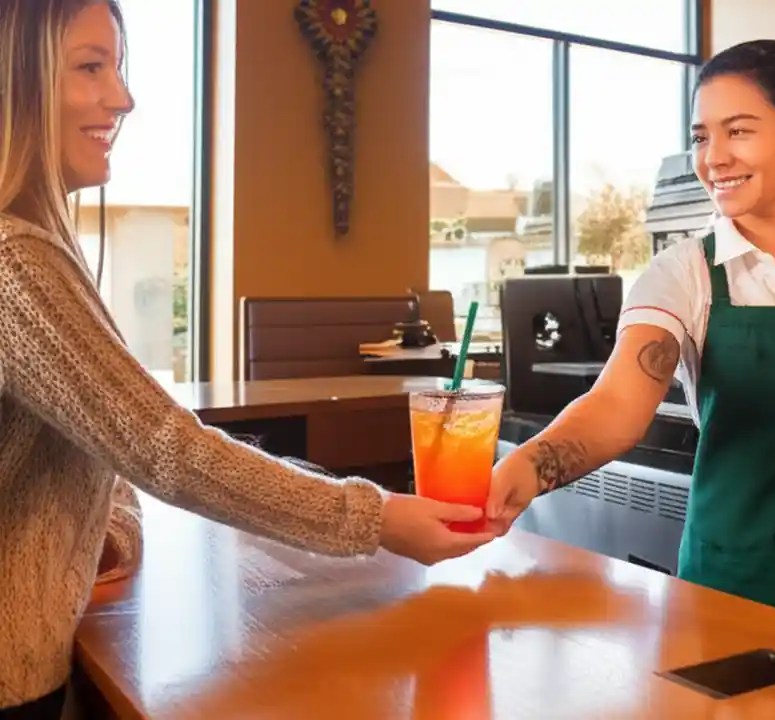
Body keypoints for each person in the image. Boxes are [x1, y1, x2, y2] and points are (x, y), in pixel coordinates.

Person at [0, 2, 493, 715]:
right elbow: (164, 449)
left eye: (119, 67)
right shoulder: (18, 263)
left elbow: (113, 455)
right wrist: (377, 517)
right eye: (89, 67)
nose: (123, 96)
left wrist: (99, 537)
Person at [488, 39, 775, 653]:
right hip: (737, 584)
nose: (713, 159)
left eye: (738, 131)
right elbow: (617, 407)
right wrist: (525, 467)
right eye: (702, 136)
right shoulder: (682, 274)